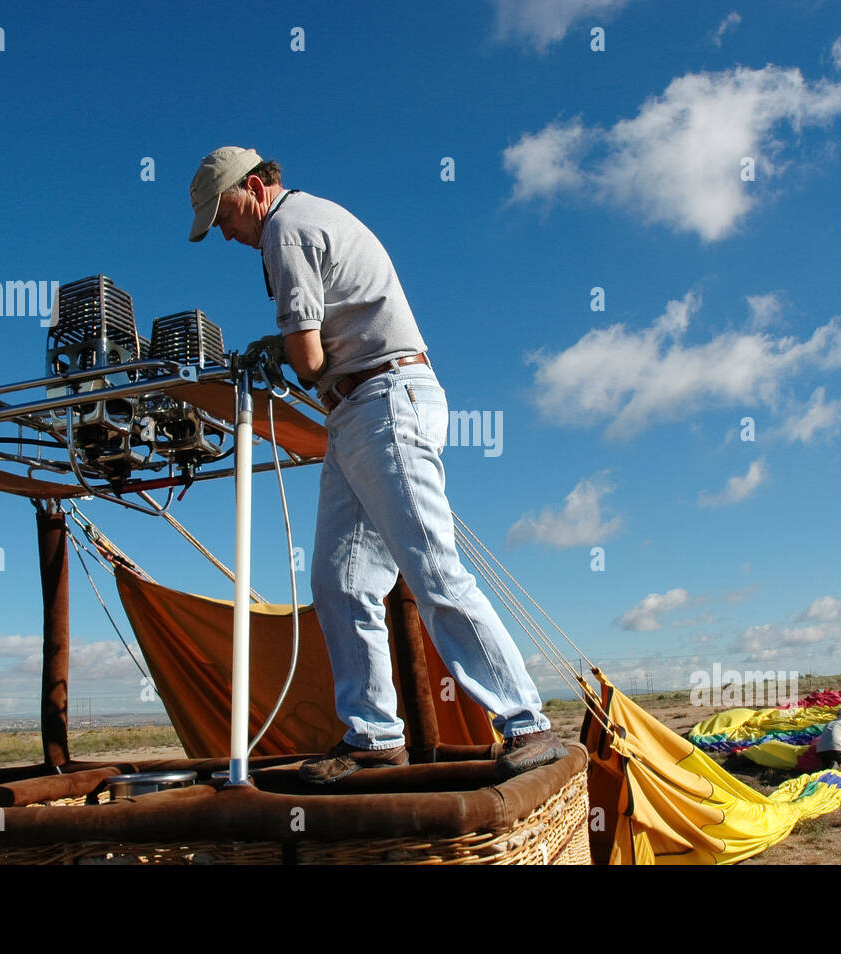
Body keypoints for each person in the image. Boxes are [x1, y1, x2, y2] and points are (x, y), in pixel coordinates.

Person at [187, 146, 565, 784]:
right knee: (340, 579)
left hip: (384, 403)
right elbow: (313, 352)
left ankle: (526, 721)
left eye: (223, 215)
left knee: (431, 565)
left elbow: (307, 360)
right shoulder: (302, 222)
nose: (224, 232)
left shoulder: (287, 229)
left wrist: (273, 352)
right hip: (358, 410)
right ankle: (374, 735)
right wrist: (279, 346)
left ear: (253, 188)